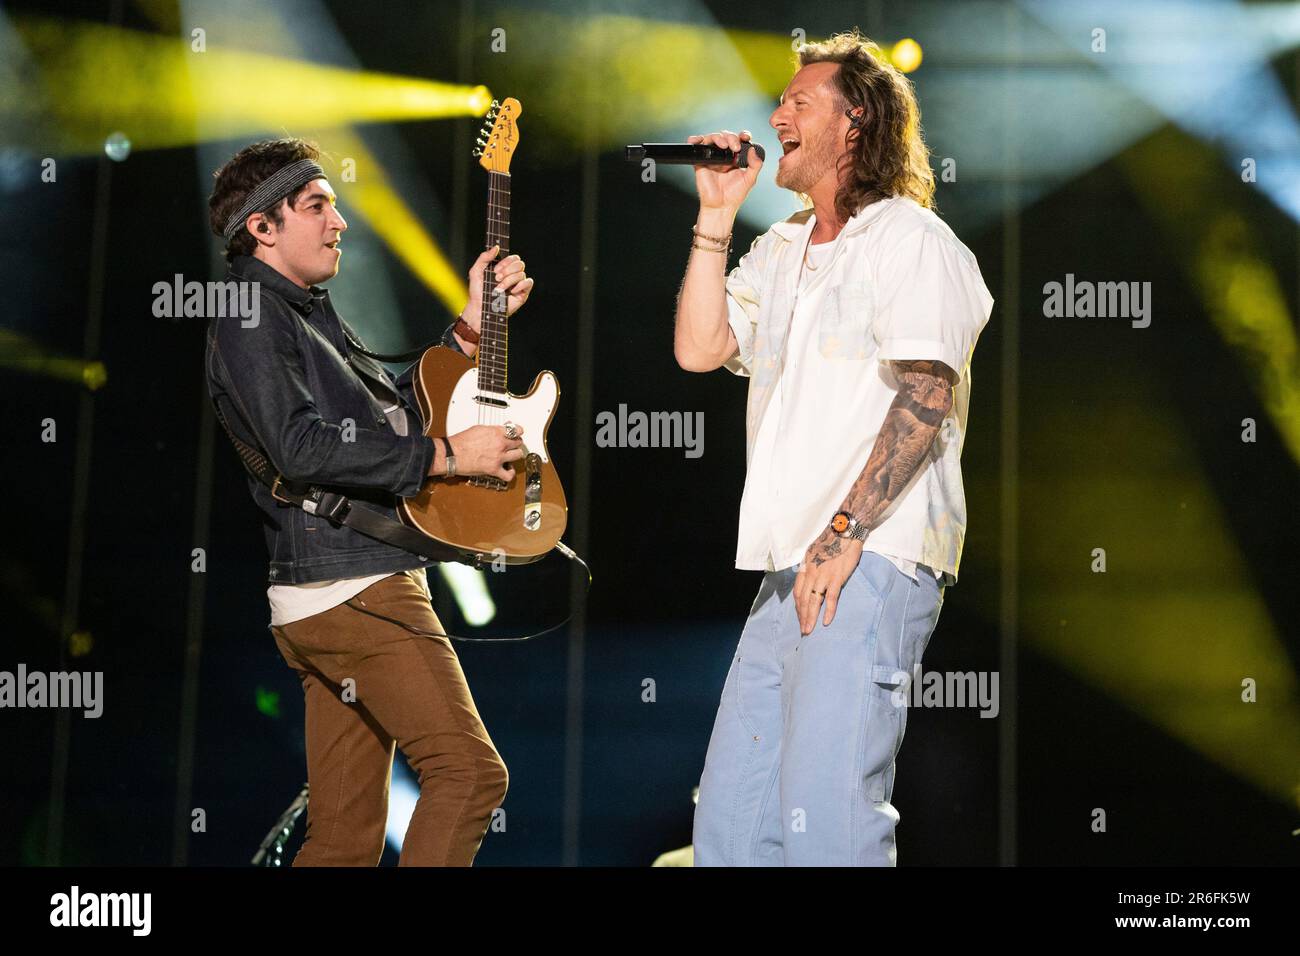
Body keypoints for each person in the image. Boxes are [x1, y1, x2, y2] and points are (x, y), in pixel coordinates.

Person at [674, 32, 994, 866]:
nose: (775, 113)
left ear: (857, 124)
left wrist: (846, 529)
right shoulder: (779, 249)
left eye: (798, 102)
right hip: (789, 565)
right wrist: (714, 212)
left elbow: (927, 395)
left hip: (870, 550)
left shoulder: (910, 240)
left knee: (828, 809)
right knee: (733, 827)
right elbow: (700, 348)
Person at [204, 137, 534, 866]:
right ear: (261, 227)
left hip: (327, 594)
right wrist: (448, 456)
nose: (339, 221)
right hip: (355, 585)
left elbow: (382, 414)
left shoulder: (298, 310)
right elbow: (301, 448)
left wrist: (471, 328)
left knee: (346, 836)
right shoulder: (253, 313)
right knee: (471, 775)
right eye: (317, 205)